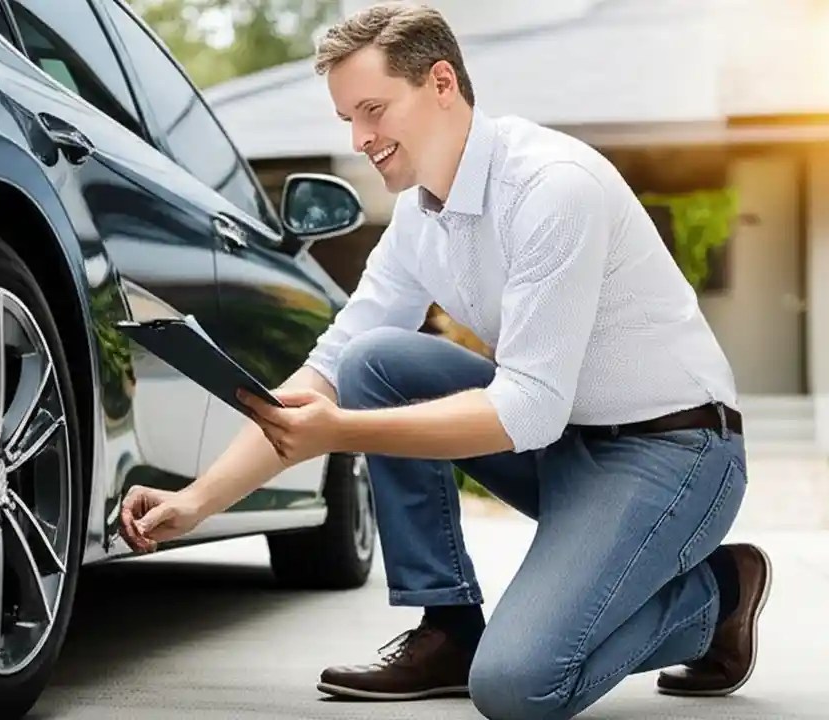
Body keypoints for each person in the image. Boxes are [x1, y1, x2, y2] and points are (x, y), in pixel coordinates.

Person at [118, 2, 772, 718]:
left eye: (374, 109)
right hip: (568, 446)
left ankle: (722, 592)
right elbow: (327, 372)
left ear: (440, 83)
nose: (362, 138)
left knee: (519, 686)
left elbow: (527, 407)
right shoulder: (417, 219)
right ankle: (449, 629)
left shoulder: (552, 187)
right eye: (348, 121)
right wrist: (196, 501)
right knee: (373, 361)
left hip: (675, 452)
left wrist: (343, 432)